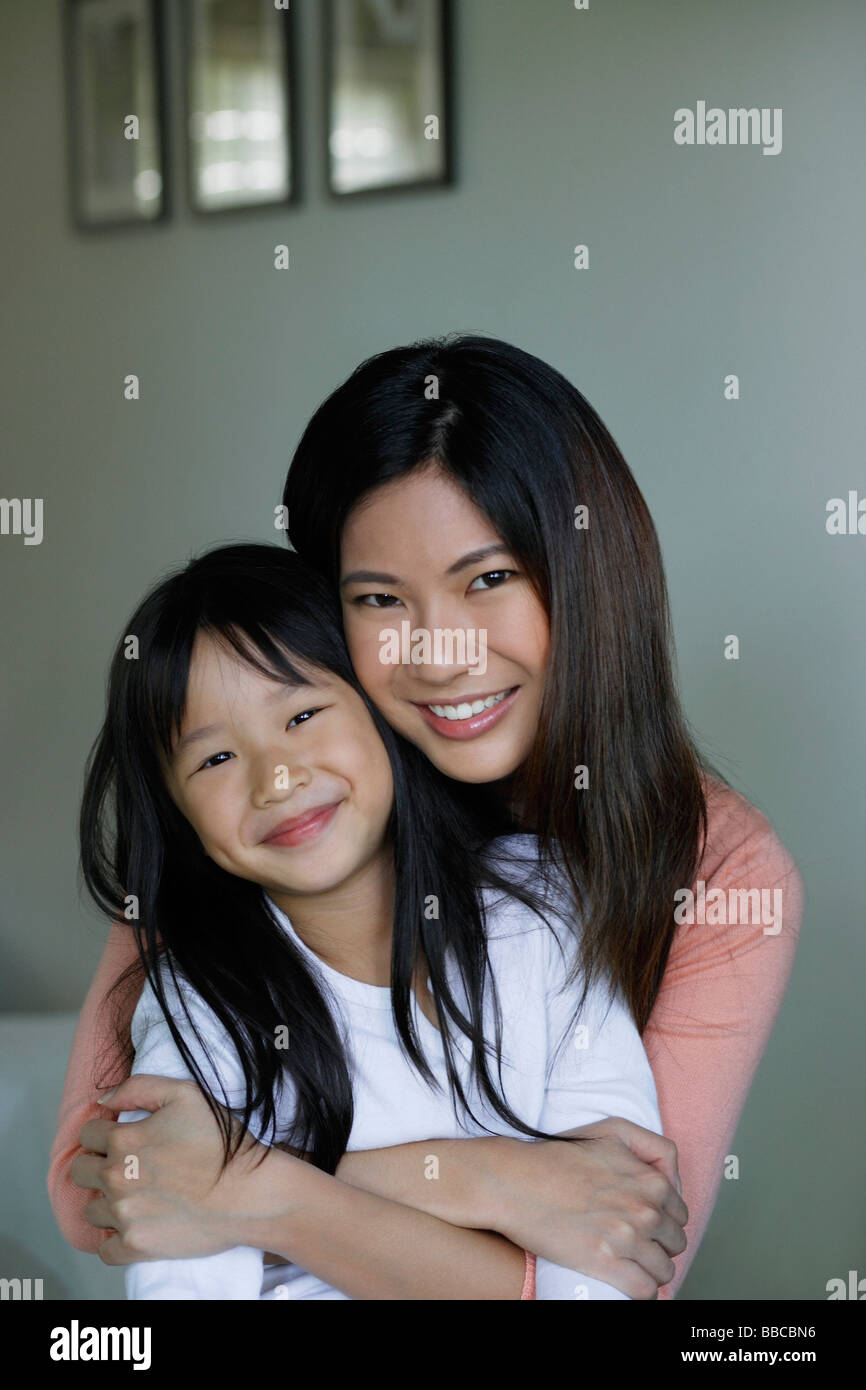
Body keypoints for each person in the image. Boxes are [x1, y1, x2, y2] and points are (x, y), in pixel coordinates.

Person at [48, 334, 802, 1299]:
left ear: (585, 572)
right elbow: (104, 1195)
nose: (442, 655)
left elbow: (629, 1251)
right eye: (378, 598)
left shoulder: (722, 875)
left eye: (489, 579)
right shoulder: (287, 817)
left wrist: (250, 1188)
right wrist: (498, 1176)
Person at [75, 542, 667, 1299]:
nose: (276, 777)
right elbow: (177, 1248)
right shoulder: (201, 994)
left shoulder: (542, 906)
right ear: (178, 815)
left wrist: (254, 1188)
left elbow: (613, 1223)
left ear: (385, 713)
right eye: (215, 760)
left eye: (303, 714)